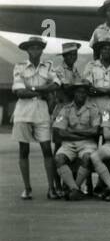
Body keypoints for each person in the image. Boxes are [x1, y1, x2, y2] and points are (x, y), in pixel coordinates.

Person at [12, 36, 62, 200]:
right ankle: (27, 188)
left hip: (41, 111)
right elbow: (20, 92)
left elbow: (56, 84)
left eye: (38, 48)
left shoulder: (48, 66)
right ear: (27, 50)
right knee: (24, 150)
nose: (35, 51)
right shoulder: (19, 67)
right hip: (23, 111)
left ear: (42, 50)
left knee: (47, 149)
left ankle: (51, 188)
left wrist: (33, 88)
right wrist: (43, 90)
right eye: (32, 48)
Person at [52, 83, 104, 200]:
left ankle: (73, 188)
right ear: (74, 94)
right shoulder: (65, 109)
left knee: (87, 158)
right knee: (58, 158)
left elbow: (95, 131)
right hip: (69, 144)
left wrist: (72, 131)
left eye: (84, 92)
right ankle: (75, 189)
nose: (82, 94)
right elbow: (60, 132)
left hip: (87, 144)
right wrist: (82, 134)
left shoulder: (93, 109)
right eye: (79, 92)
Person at [83, 40, 110, 113]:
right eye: (104, 49)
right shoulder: (91, 66)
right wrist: (107, 91)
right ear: (100, 51)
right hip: (92, 107)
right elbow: (87, 89)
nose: (107, 51)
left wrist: (102, 91)